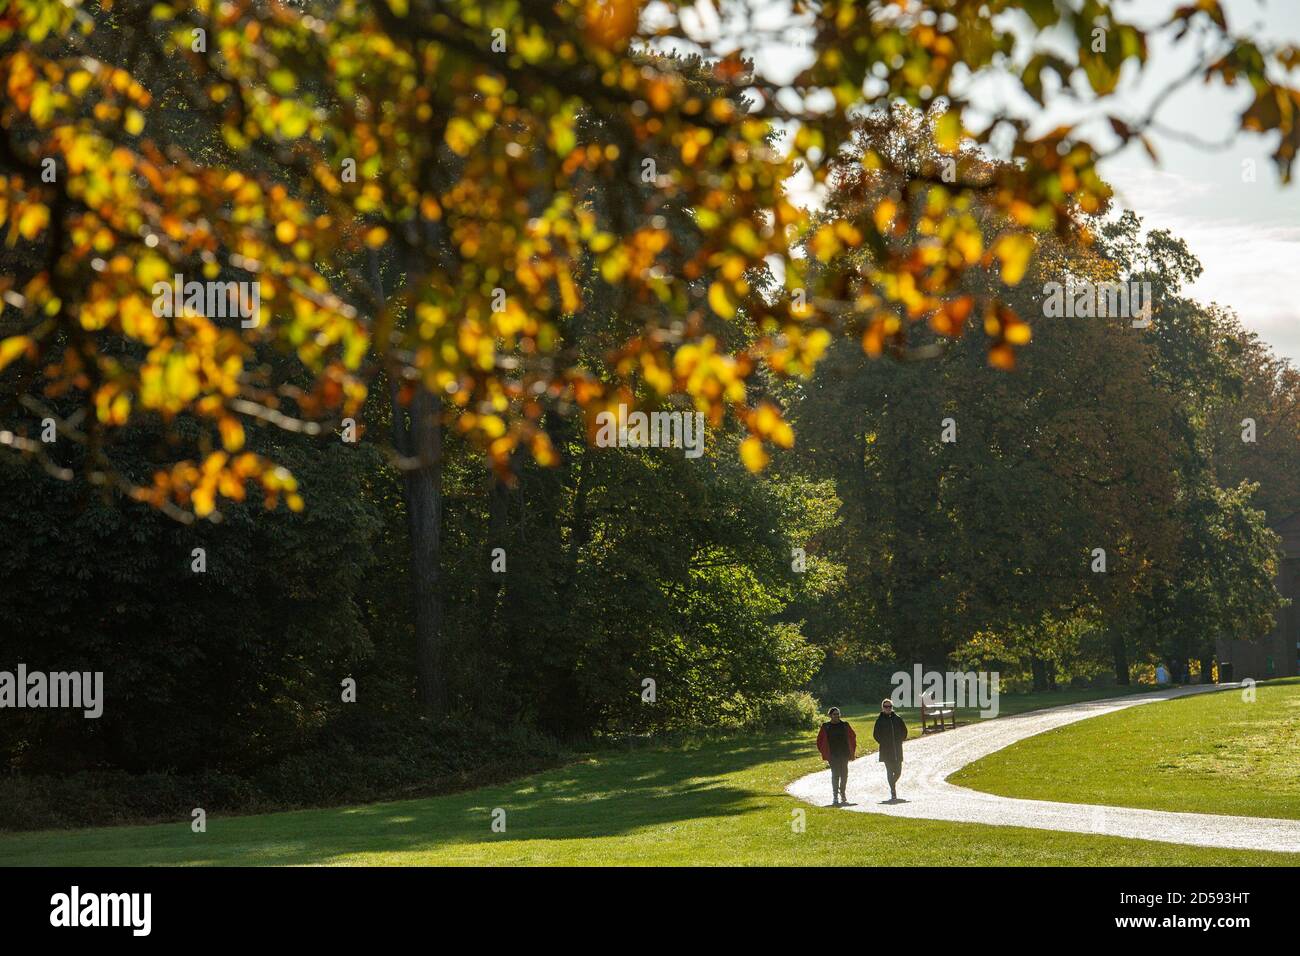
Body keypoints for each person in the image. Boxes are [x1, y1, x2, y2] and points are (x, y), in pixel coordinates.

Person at [815, 706, 856, 805]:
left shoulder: (845, 725)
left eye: (838, 714)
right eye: (834, 714)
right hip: (832, 755)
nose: (836, 716)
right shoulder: (826, 726)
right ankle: (835, 796)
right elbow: (819, 741)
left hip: (844, 754)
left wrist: (852, 750)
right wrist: (824, 752)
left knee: (844, 775)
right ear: (830, 715)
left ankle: (842, 793)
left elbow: (853, 736)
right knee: (835, 775)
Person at [872, 698, 908, 801]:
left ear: (892, 707)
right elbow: (876, 734)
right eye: (886, 707)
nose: (888, 708)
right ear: (882, 708)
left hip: (897, 749)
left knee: (898, 772)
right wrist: (883, 742)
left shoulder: (897, 718)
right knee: (889, 770)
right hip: (886, 750)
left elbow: (904, 731)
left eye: (890, 707)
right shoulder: (880, 720)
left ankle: (892, 784)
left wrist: (900, 740)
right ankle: (893, 791)